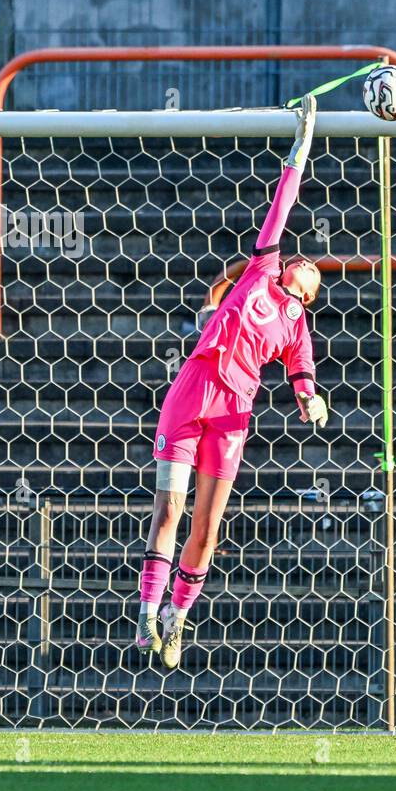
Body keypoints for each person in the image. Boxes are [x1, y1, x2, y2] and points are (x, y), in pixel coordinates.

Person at [135, 95, 329, 670]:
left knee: (208, 527)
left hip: (232, 416)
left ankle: (177, 620)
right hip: (192, 391)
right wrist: (303, 141)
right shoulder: (261, 275)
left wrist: (311, 403)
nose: (304, 264)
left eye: (313, 272)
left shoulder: (298, 326)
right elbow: (282, 203)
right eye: (301, 259)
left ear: (311, 294)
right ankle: (147, 614)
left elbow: (303, 379)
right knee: (167, 510)